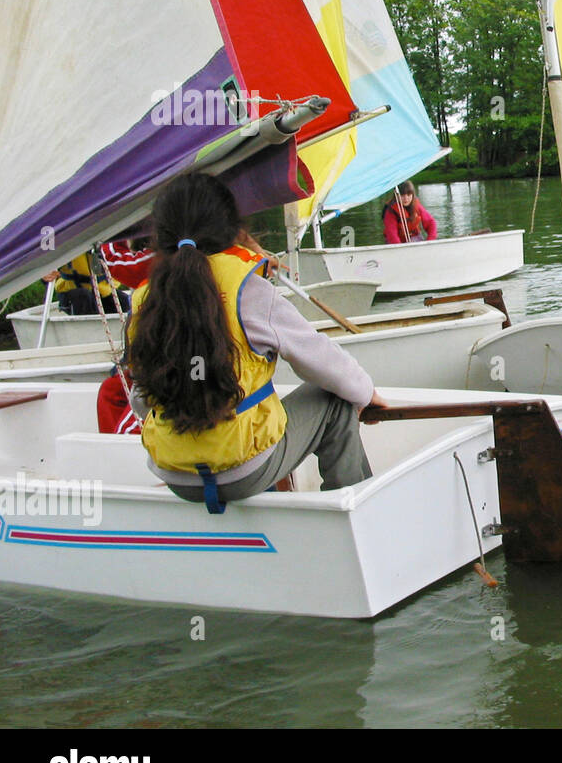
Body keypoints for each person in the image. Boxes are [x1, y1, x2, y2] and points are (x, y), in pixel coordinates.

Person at [127, 172, 387, 513]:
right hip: (241, 471)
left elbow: (142, 400)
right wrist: (367, 393)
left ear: (161, 233)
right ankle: (355, 515)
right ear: (230, 227)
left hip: (174, 472)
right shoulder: (249, 291)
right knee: (335, 400)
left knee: (257, 409)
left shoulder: (144, 298)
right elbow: (321, 360)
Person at [41, 252, 130, 316]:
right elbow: (42, 256)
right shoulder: (66, 239)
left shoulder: (105, 238)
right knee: (83, 296)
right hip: (71, 291)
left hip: (102, 291)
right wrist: (45, 273)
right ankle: (88, 332)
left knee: (124, 302)